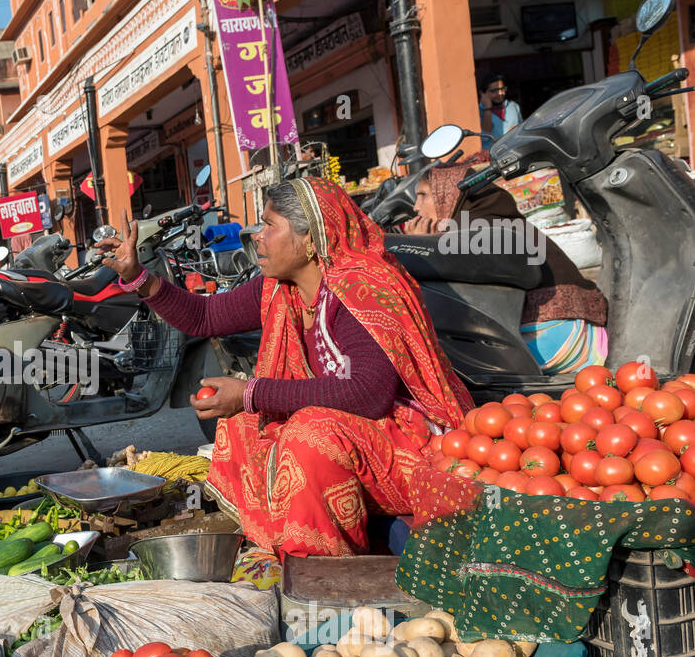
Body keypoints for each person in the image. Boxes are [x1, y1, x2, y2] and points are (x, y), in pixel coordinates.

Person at [99, 177, 472, 559]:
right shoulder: (280, 287)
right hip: (352, 432)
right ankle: (277, 540)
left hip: (406, 445)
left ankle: (322, 566)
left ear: (310, 238)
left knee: (307, 432)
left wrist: (251, 393)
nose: (256, 236)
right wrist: (136, 276)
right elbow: (205, 316)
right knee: (242, 424)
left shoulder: (361, 287)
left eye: (269, 225)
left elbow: (369, 393)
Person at [403, 156, 608, 373]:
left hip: (561, 338)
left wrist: (421, 247)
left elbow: (458, 302)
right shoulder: (482, 223)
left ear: (449, 196)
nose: (416, 207)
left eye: (423, 196)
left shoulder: (473, 232)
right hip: (573, 333)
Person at [478, 73, 522, 149]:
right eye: (494, 91)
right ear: (482, 93)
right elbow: (484, 138)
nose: (500, 93)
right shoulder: (478, 112)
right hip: (493, 157)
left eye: (502, 89)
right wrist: (487, 109)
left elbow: (521, 131)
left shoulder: (513, 106)